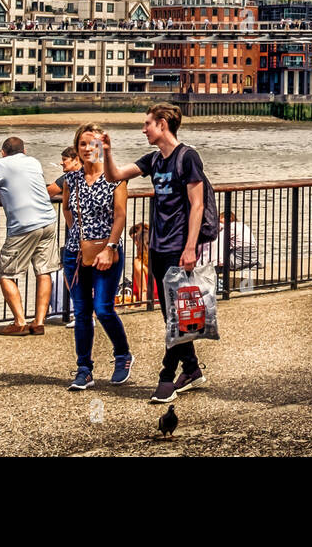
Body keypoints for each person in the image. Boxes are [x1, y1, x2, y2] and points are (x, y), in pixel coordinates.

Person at [103, 103, 209, 403]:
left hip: (178, 247)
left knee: (176, 315)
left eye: (147, 123)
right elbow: (115, 176)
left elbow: (197, 205)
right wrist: (108, 151)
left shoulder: (187, 158)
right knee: (170, 314)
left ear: (163, 124)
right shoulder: (154, 161)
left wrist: (190, 248)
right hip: (157, 247)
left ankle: (166, 377)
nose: (143, 128)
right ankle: (191, 369)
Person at [62, 125, 132, 391]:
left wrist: (109, 247)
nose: (88, 148)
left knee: (103, 308)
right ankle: (84, 369)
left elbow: (120, 215)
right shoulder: (72, 179)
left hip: (108, 251)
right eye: (83, 144)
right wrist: (80, 240)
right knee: (81, 312)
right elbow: (68, 209)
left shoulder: (115, 177)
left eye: (93, 143)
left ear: (103, 146)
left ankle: (123, 355)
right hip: (76, 253)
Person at [0, 136, 60, 335]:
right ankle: (38, 322)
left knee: (5, 273)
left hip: (24, 225)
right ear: (24, 150)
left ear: (3, 152)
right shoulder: (34, 162)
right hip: (48, 220)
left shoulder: (1, 165)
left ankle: (19, 322)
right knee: (43, 271)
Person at [49, 145, 81, 326]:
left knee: (75, 271)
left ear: (76, 159)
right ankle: (81, 312)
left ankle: (81, 313)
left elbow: (49, 192)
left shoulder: (67, 178)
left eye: (65, 160)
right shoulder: (71, 178)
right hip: (78, 231)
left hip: (78, 233)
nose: (62, 163)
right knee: (74, 271)